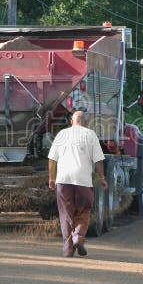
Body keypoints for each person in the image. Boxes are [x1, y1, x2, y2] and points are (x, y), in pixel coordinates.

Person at [47, 110, 107, 257]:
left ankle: (68, 250)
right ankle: (78, 237)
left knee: (66, 215)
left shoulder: (62, 135)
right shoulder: (90, 135)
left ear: (71, 121)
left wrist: (51, 178)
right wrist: (102, 177)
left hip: (63, 180)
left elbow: (52, 159)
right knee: (84, 210)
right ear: (85, 122)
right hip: (83, 181)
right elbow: (98, 160)